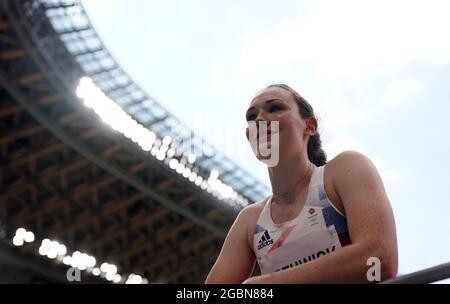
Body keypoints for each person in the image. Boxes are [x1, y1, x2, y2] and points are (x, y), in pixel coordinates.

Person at [205, 84, 398, 284]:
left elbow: (379, 260)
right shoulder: (250, 220)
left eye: (275, 108)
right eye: (251, 117)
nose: (260, 120)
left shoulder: (345, 170)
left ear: (310, 126)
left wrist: (270, 283)